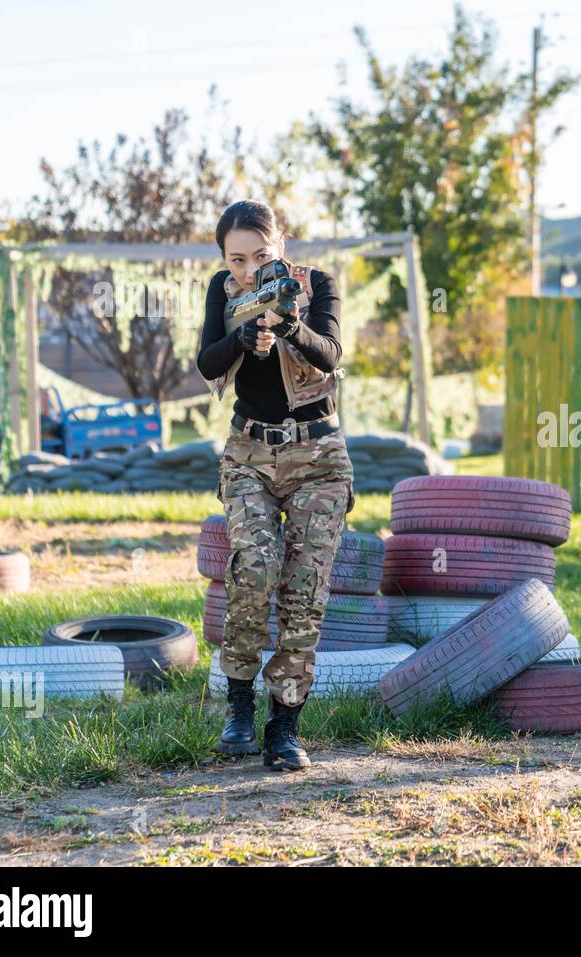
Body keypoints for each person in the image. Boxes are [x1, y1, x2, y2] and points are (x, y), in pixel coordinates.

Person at [196, 199, 355, 770]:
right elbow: (207, 364)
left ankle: (284, 726)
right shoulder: (223, 289)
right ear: (223, 258)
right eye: (235, 259)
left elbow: (331, 354)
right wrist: (242, 338)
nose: (246, 269)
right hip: (250, 454)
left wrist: (289, 324)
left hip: (318, 455)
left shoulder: (317, 285)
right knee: (254, 568)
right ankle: (239, 708)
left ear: (281, 245)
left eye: (260, 256)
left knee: (305, 588)